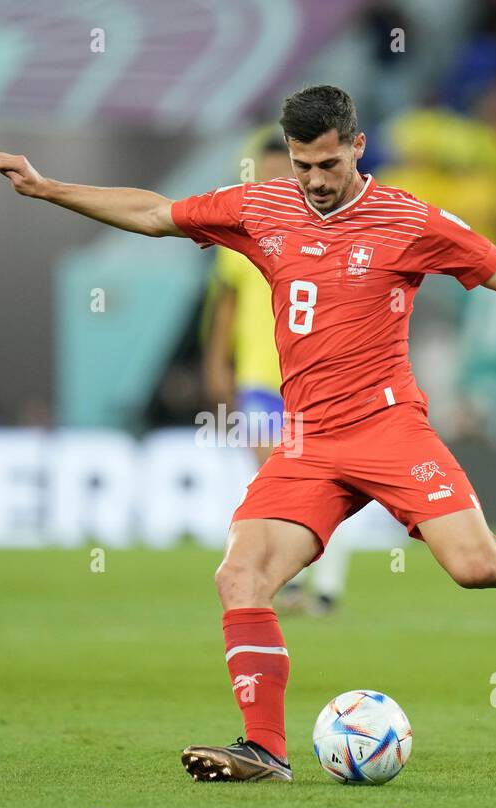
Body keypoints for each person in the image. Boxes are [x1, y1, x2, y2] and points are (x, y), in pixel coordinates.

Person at [0, 85, 496, 783]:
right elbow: (156, 212)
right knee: (240, 575)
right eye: (302, 166)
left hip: (390, 428)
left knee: (477, 567)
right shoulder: (261, 207)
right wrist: (49, 189)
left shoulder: (410, 221)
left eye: (329, 163)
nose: (316, 180)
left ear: (358, 146)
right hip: (307, 443)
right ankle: (265, 749)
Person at [202, 136, 351, 615]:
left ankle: (324, 588)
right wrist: (216, 362)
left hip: (316, 380)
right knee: (275, 478)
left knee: (324, 483)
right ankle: (292, 585)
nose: (272, 178)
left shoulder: (324, 228)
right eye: (264, 170)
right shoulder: (241, 235)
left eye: (280, 170)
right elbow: (226, 307)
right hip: (261, 379)